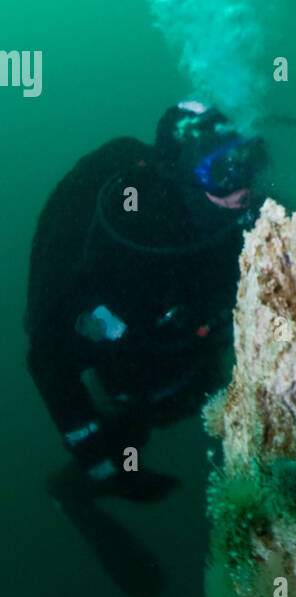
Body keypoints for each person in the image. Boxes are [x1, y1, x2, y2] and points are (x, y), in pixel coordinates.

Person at [26, 102, 266, 498]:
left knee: (196, 383)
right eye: (222, 172)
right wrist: (100, 464)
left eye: (249, 159)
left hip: (200, 346)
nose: (242, 185)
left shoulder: (243, 217)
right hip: (142, 368)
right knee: (137, 417)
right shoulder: (130, 250)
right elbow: (48, 359)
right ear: (184, 177)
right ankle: (89, 479)